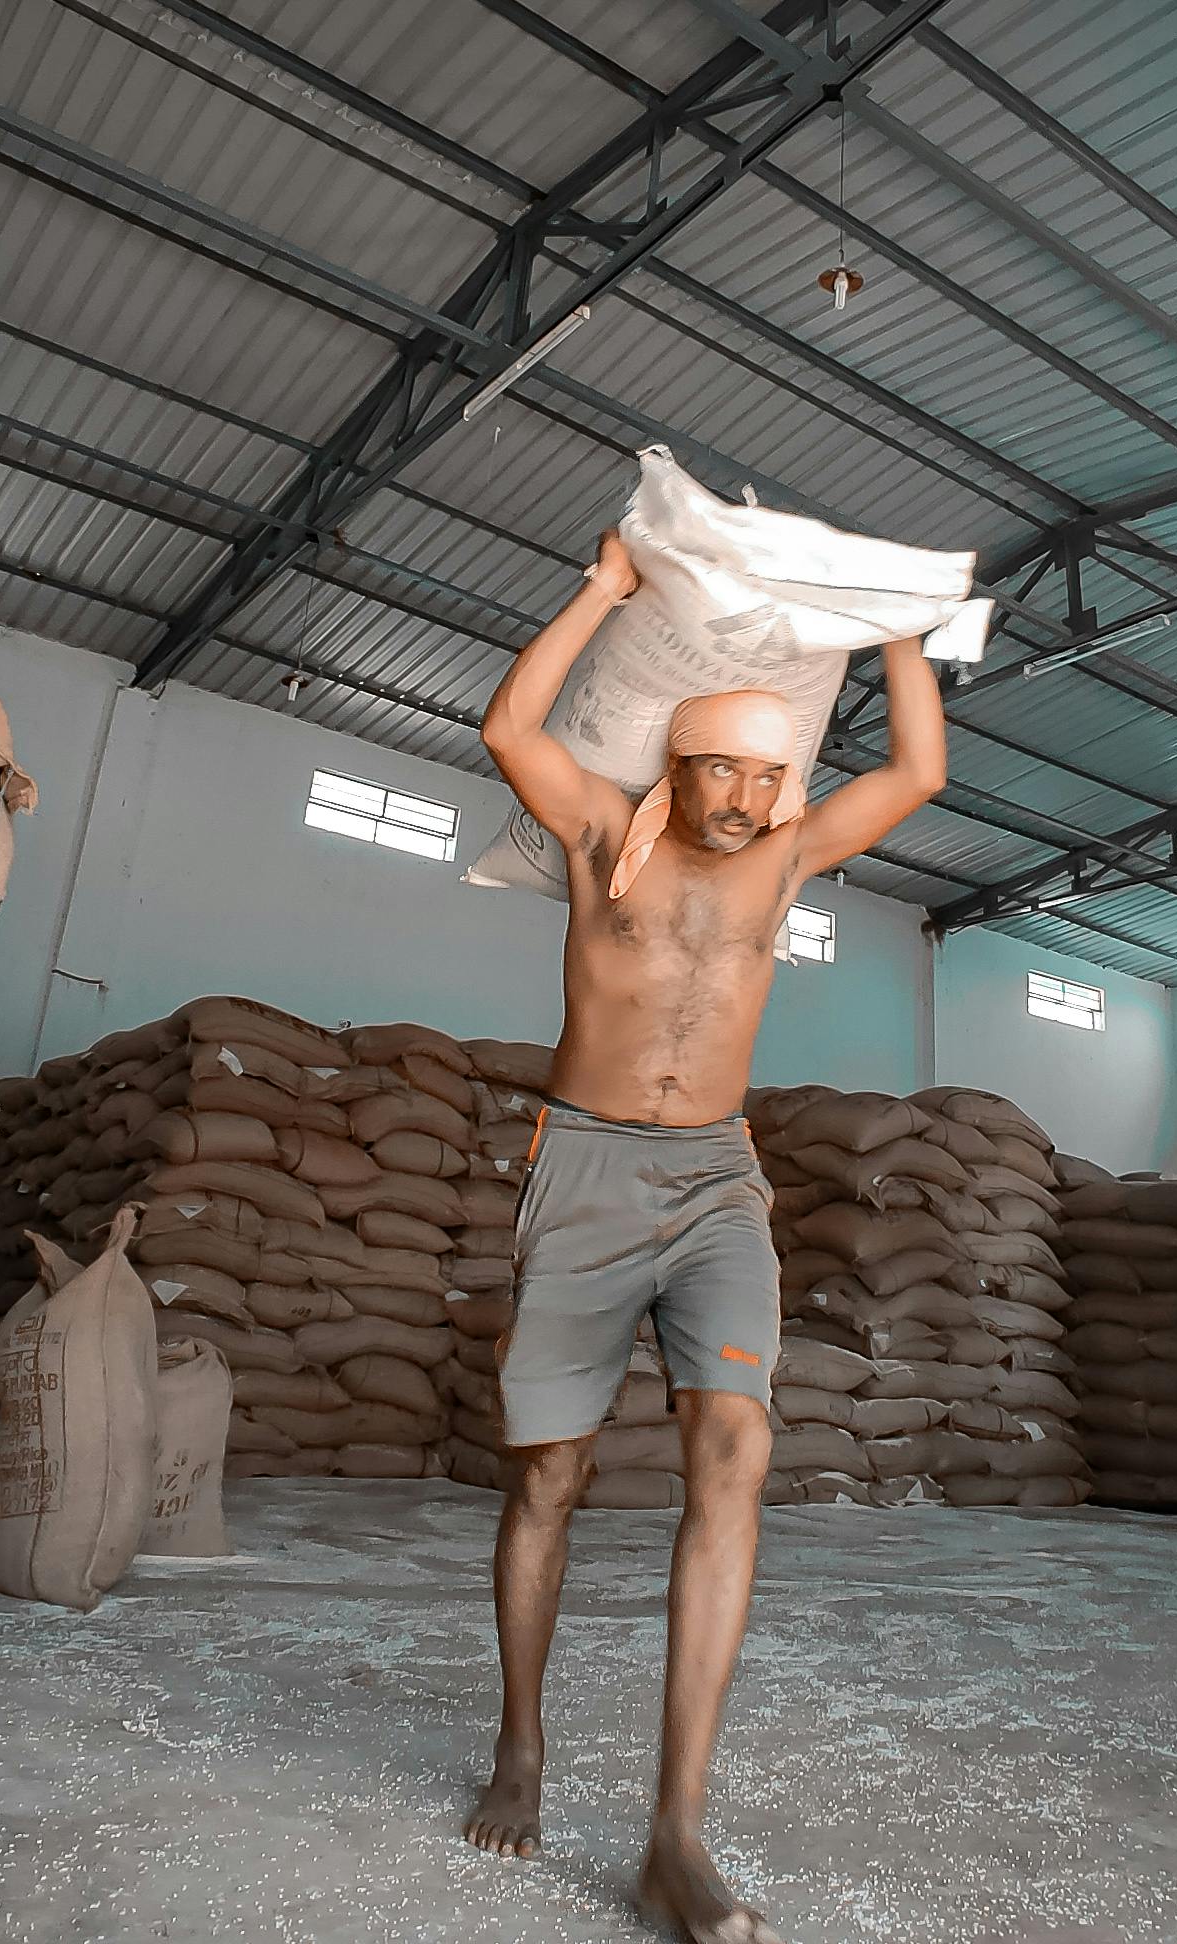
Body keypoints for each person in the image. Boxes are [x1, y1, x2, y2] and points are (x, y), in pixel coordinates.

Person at [463, 529, 947, 1944]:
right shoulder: (600, 837)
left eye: (762, 774)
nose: (742, 798)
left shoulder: (787, 856)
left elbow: (916, 774)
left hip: (719, 1179)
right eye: (719, 771)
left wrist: (898, 629)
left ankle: (675, 1832)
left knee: (734, 1448)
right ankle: (520, 1743)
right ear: (673, 771)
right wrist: (605, 590)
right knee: (549, 1475)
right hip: (587, 1169)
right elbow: (509, 730)